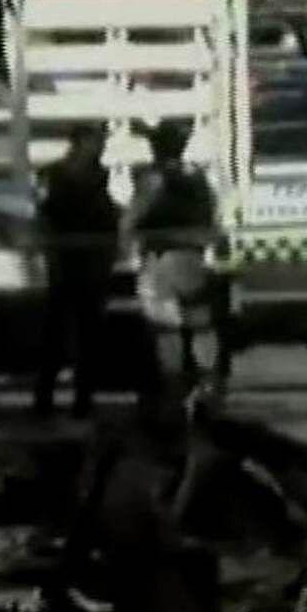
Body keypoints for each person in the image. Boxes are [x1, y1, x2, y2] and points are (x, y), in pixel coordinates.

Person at [126, 118, 224, 413]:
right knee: (200, 323)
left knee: (166, 327)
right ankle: (208, 383)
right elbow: (212, 216)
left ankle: (174, 389)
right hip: (193, 257)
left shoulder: (153, 180)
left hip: (162, 259)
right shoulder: (197, 178)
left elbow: (132, 219)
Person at [33, 122, 120, 419]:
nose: (101, 148)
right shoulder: (56, 176)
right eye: (96, 141)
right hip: (67, 264)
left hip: (90, 265)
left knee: (87, 338)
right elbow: (44, 218)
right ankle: (45, 398)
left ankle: (81, 399)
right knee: (56, 336)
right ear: (80, 142)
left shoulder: (98, 176)